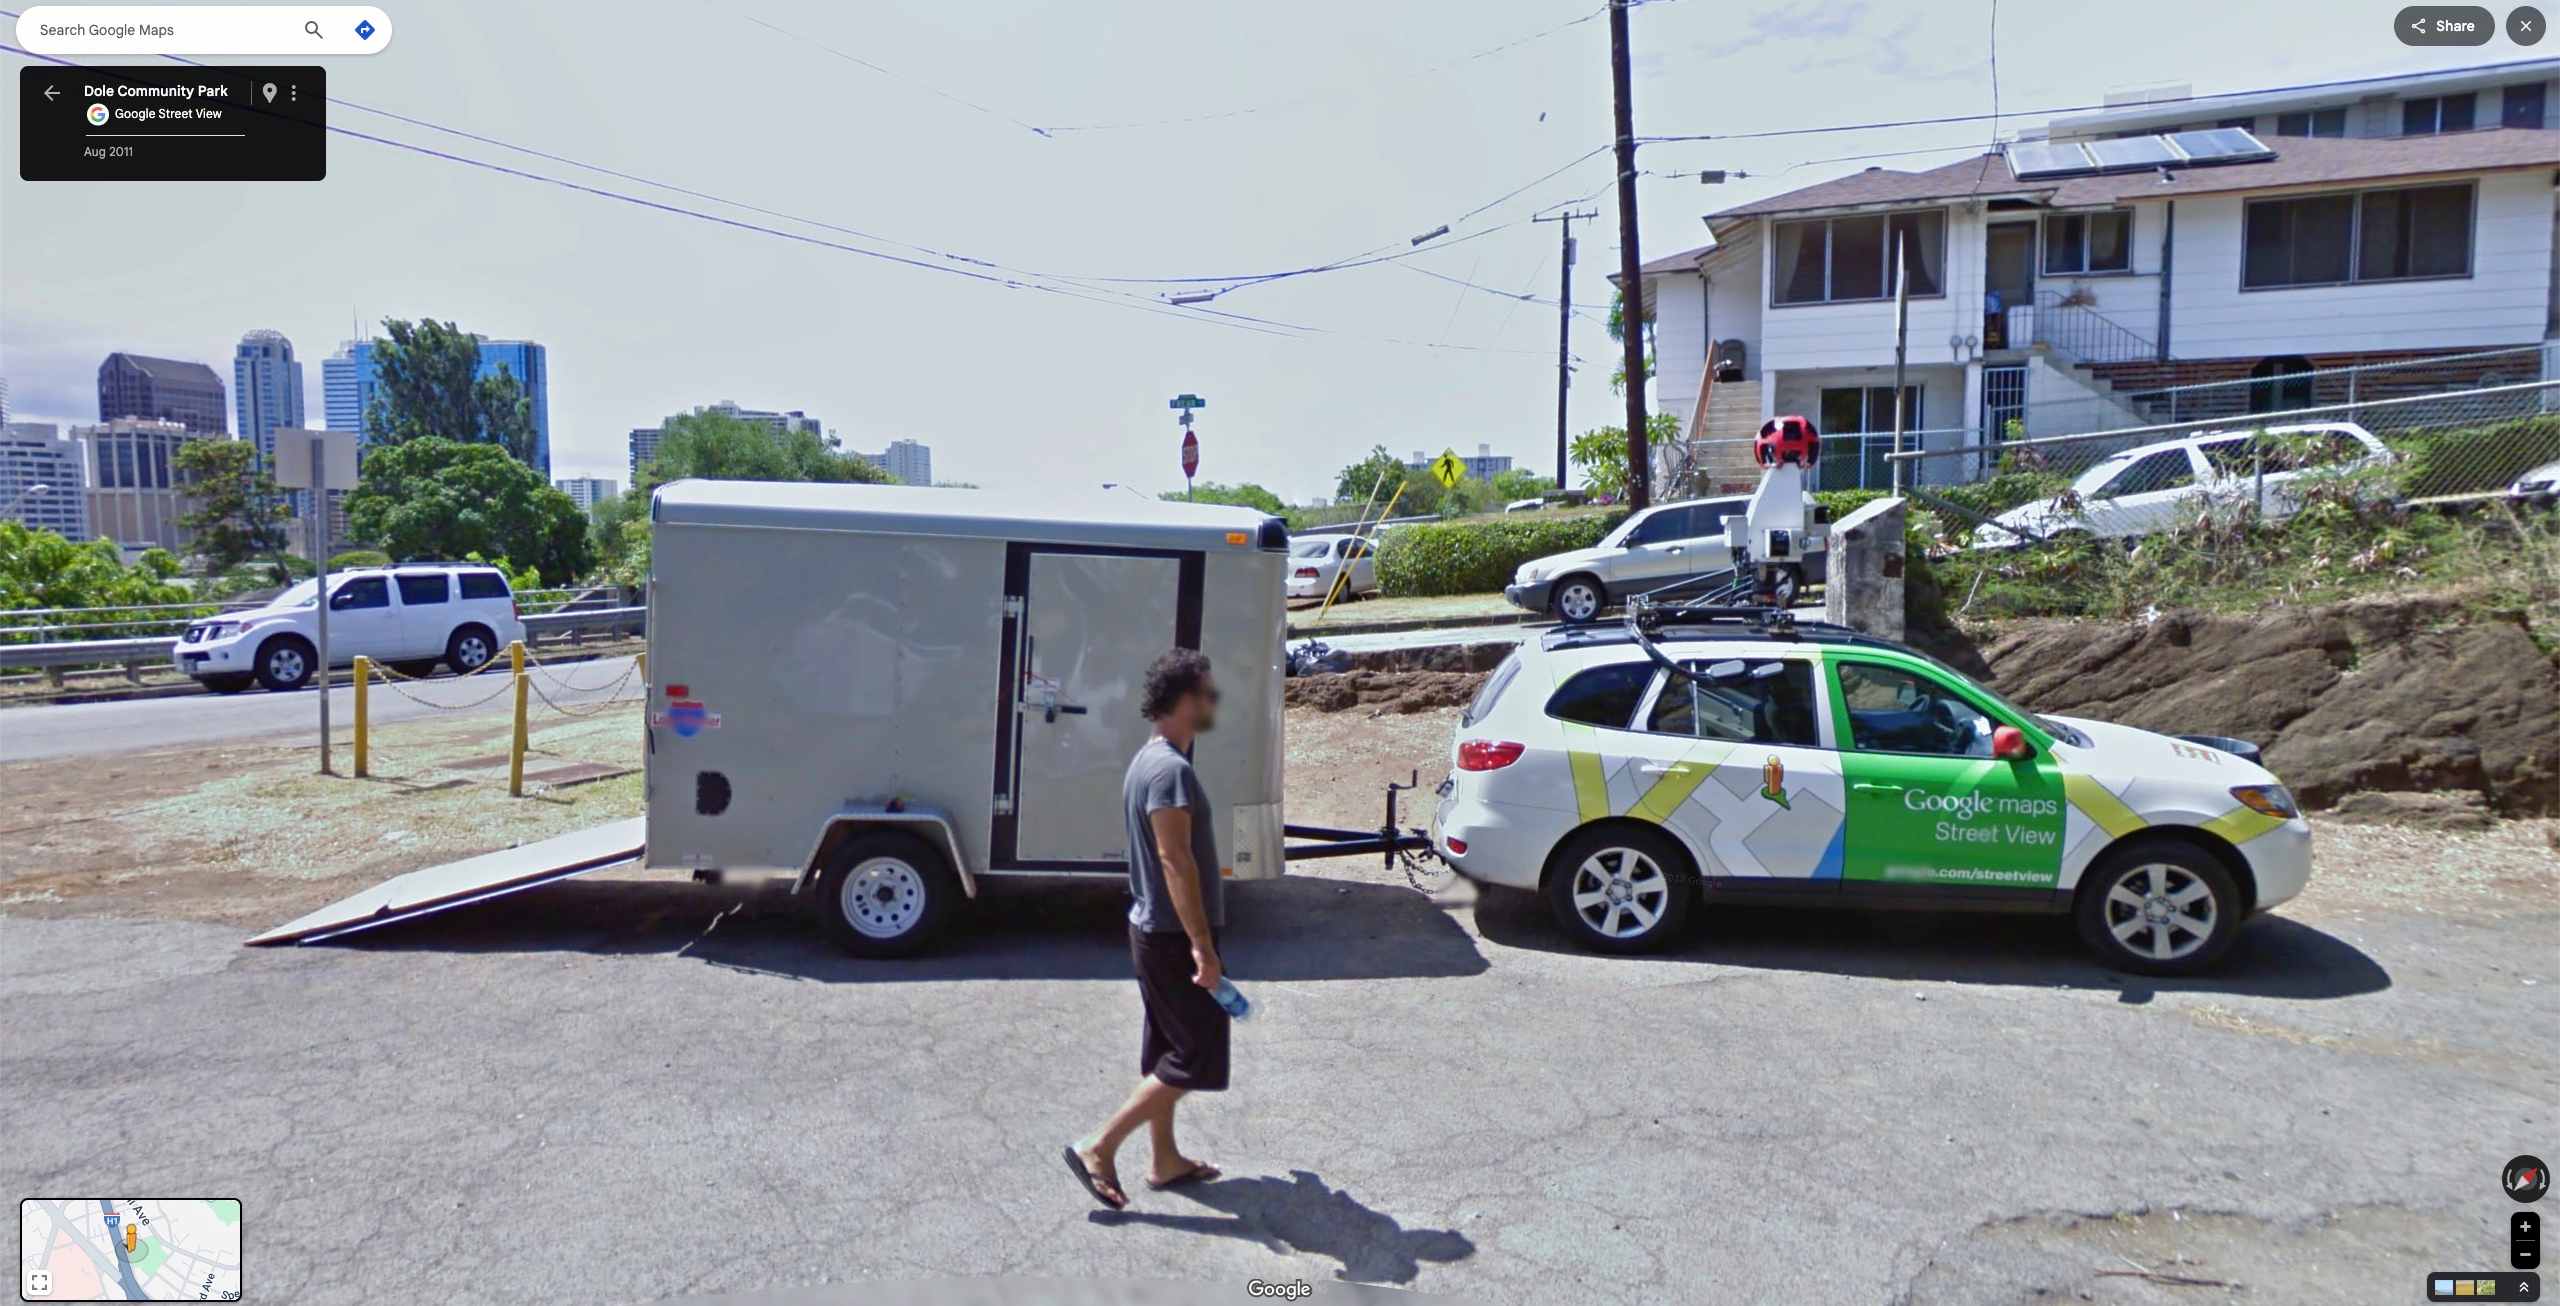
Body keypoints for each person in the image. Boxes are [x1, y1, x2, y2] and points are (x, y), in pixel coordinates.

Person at [1064, 648, 1229, 1210]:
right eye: (1207, 693)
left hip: (1154, 929)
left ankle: (1164, 1160)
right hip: (1171, 936)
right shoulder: (1169, 771)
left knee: (1166, 1050)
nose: (1213, 703)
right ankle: (1099, 1146)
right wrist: (1203, 947)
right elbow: (1174, 861)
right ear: (1183, 700)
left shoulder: (1151, 760)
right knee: (1194, 1058)